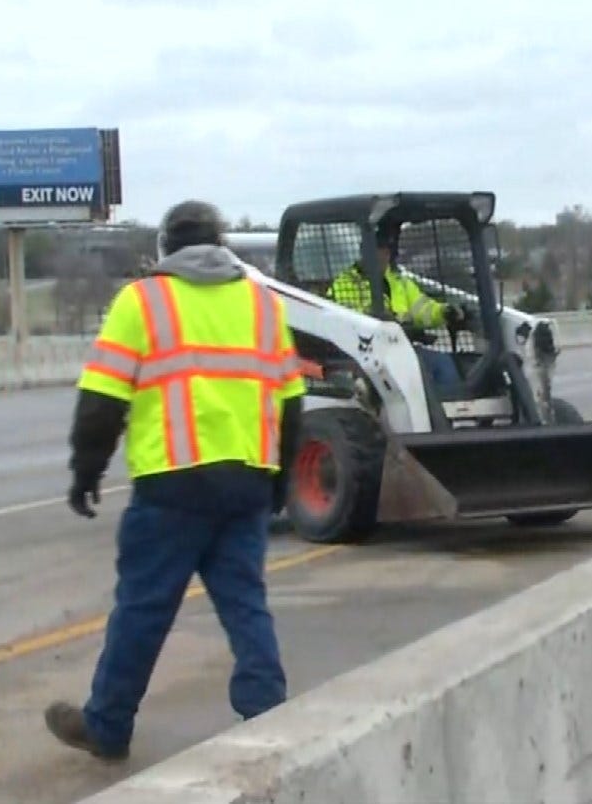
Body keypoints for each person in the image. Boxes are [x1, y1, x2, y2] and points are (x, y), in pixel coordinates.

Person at [43, 199, 305, 761]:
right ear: (222, 243)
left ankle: (108, 725)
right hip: (247, 483)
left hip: (173, 485)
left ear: (166, 248)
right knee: (245, 603)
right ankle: (267, 710)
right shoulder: (261, 305)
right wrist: (280, 480)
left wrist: (85, 471)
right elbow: (292, 402)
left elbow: (102, 399)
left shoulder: (143, 300)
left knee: (143, 607)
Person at [325, 228, 467, 388]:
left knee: (442, 363)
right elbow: (345, 321)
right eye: (378, 251)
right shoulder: (344, 284)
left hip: (402, 349)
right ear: (364, 252)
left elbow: (423, 309)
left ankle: (446, 410)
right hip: (367, 356)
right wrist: (380, 320)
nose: (383, 256)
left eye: (387, 252)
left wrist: (443, 312)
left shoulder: (399, 282)